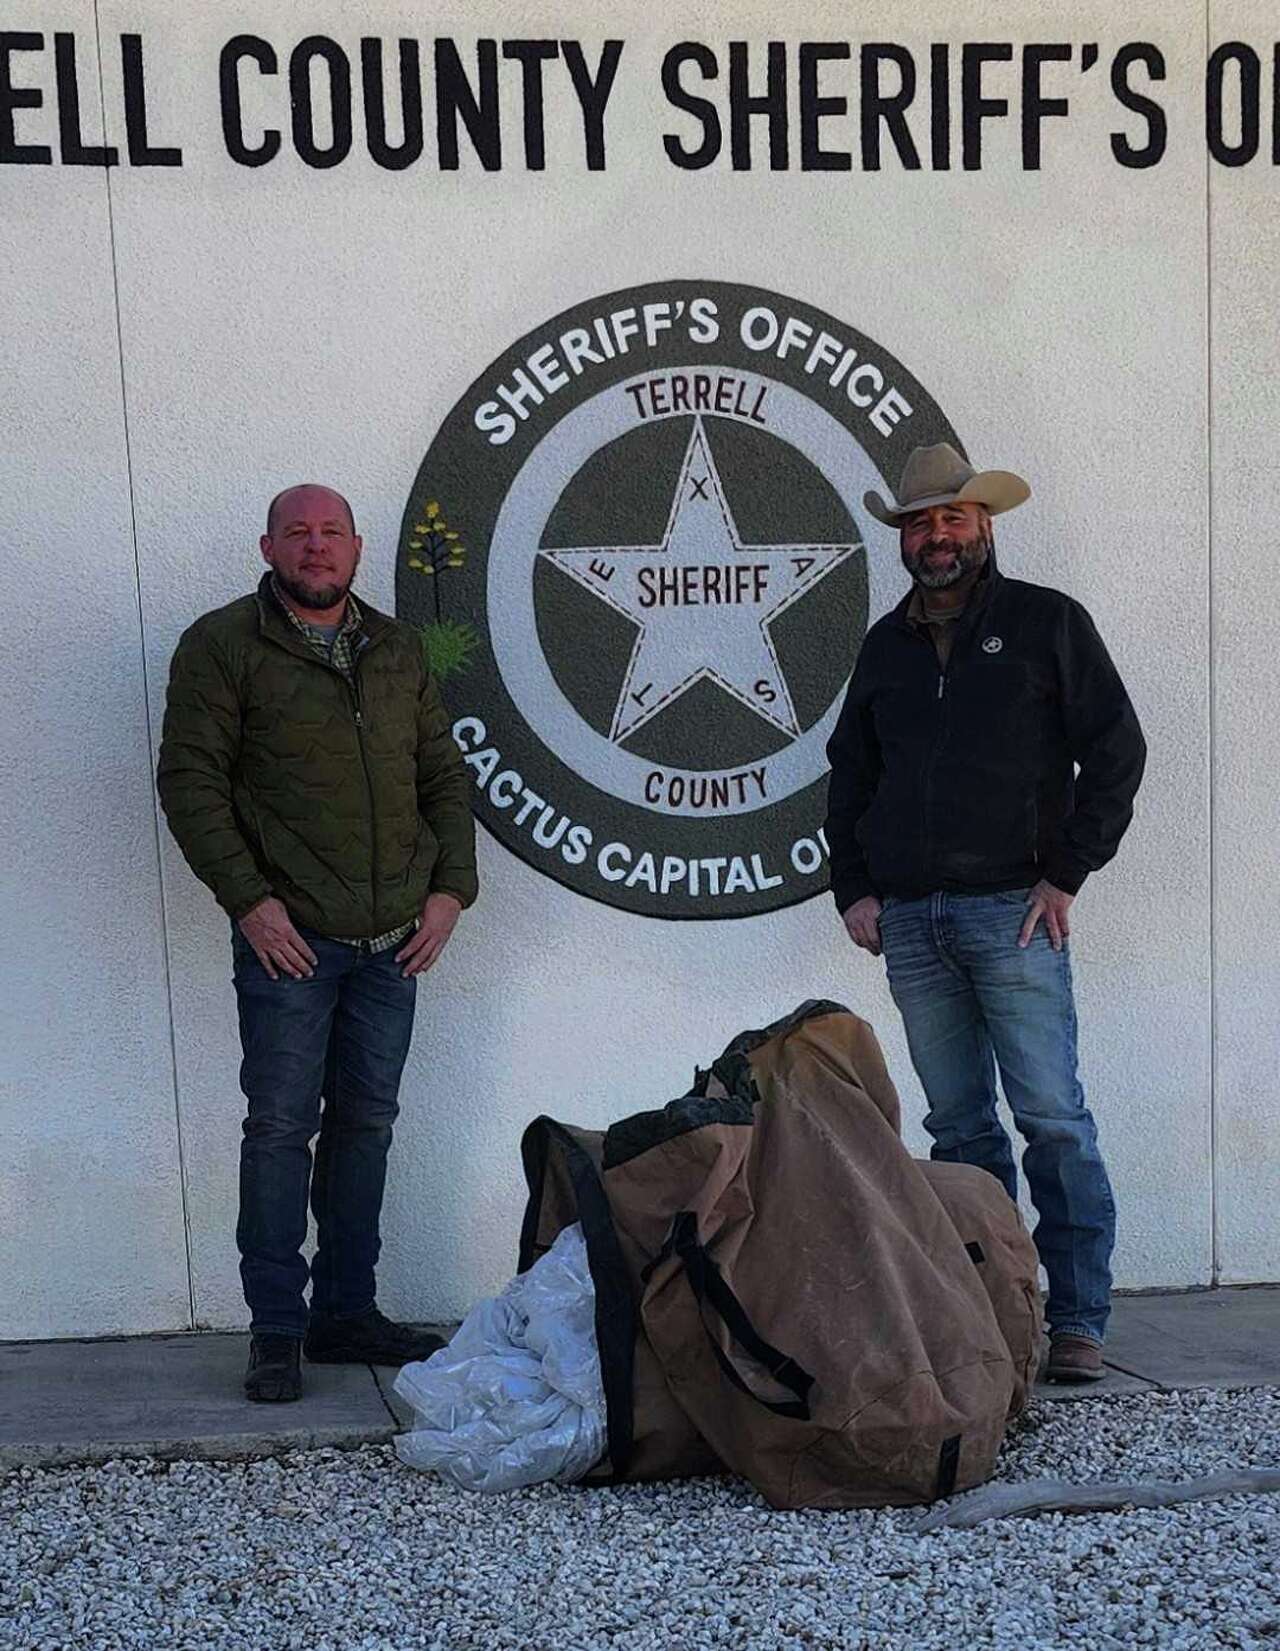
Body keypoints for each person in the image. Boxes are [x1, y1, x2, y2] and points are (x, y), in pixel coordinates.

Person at [825, 443, 1146, 1383]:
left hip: (1016, 912)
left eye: (952, 518)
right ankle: (996, 1315)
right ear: (904, 538)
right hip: (914, 926)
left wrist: (1067, 873)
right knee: (959, 1131)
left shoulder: (1049, 623)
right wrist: (854, 888)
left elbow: (1117, 751)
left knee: (1052, 1118)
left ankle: (1080, 1321)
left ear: (985, 527)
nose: (936, 535)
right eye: (921, 521)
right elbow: (853, 772)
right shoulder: (884, 647)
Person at [157, 484, 477, 1402]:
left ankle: (346, 1311)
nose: (314, 545)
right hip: (288, 943)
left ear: (356, 545)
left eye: (330, 531)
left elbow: (442, 776)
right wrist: (251, 904)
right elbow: (190, 783)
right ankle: (276, 1328)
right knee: (280, 1129)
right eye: (297, 531)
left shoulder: (397, 649)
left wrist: (450, 891)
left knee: (366, 1128)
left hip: (393, 944)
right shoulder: (222, 646)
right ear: (268, 544)